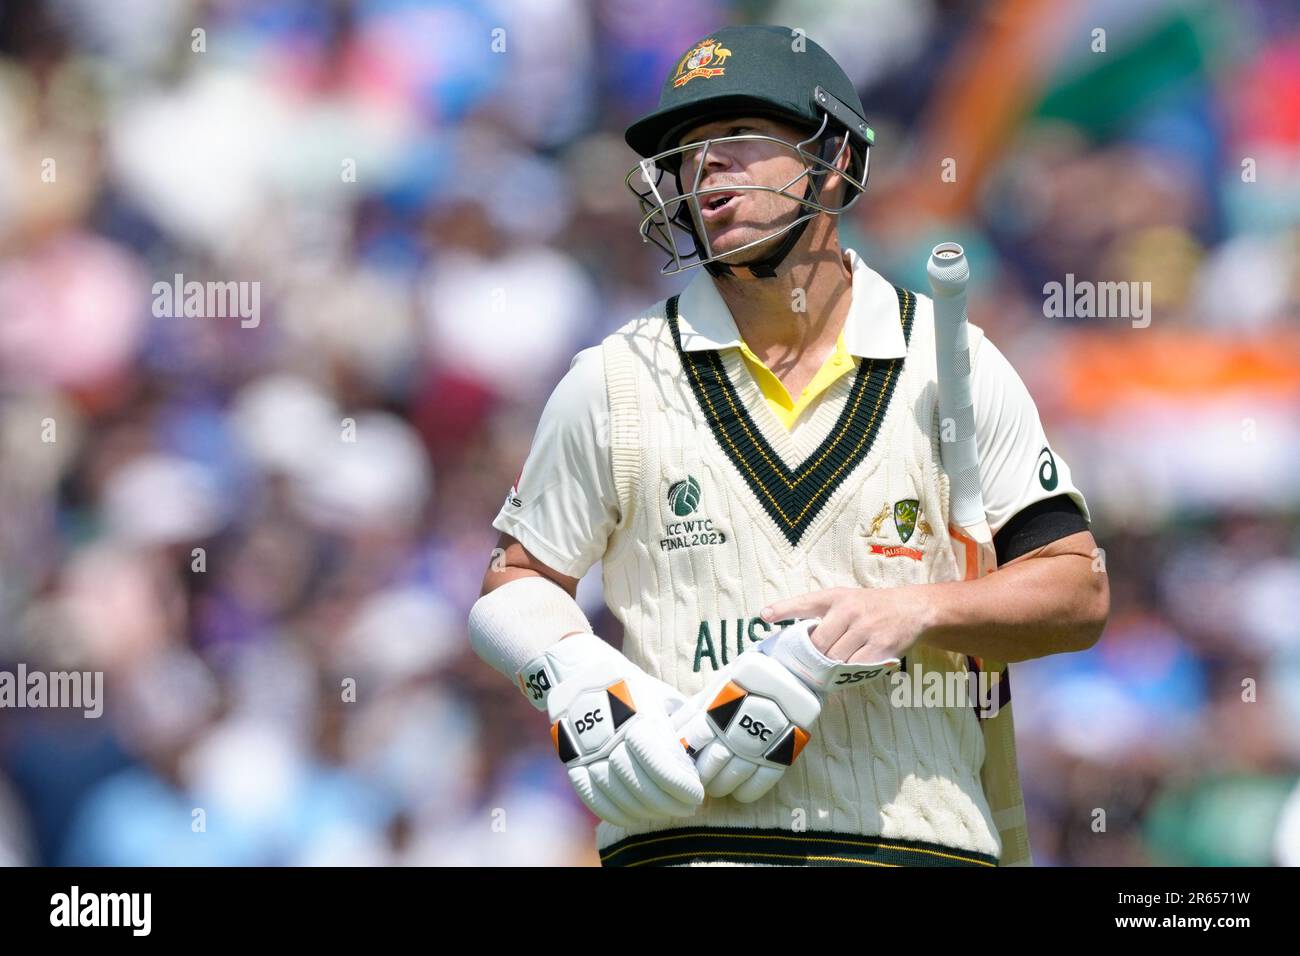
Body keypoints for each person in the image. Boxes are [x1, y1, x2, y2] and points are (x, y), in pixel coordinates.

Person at [468, 24, 1108, 867]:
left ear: (834, 155)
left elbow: (1076, 592)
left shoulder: (951, 365)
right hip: (689, 845)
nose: (706, 175)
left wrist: (912, 611)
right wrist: (583, 687)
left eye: (736, 142)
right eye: (688, 155)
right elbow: (518, 581)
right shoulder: (613, 378)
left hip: (914, 845)